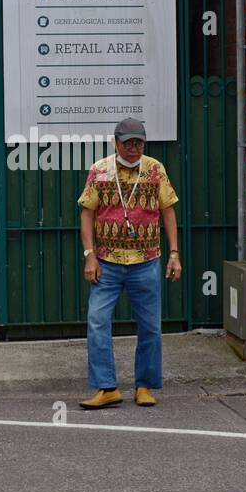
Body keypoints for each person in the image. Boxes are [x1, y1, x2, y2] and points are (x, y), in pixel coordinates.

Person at [76, 117, 182, 410]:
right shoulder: (100, 170)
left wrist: (174, 254)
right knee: (97, 321)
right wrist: (90, 255)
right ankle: (107, 387)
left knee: (150, 326)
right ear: (116, 142)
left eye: (138, 142)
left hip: (146, 260)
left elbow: (168, 211)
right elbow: (86, 213)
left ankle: (145, 385)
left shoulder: (155, 169)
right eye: (128, 142)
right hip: (107, 262)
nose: (134, 148)